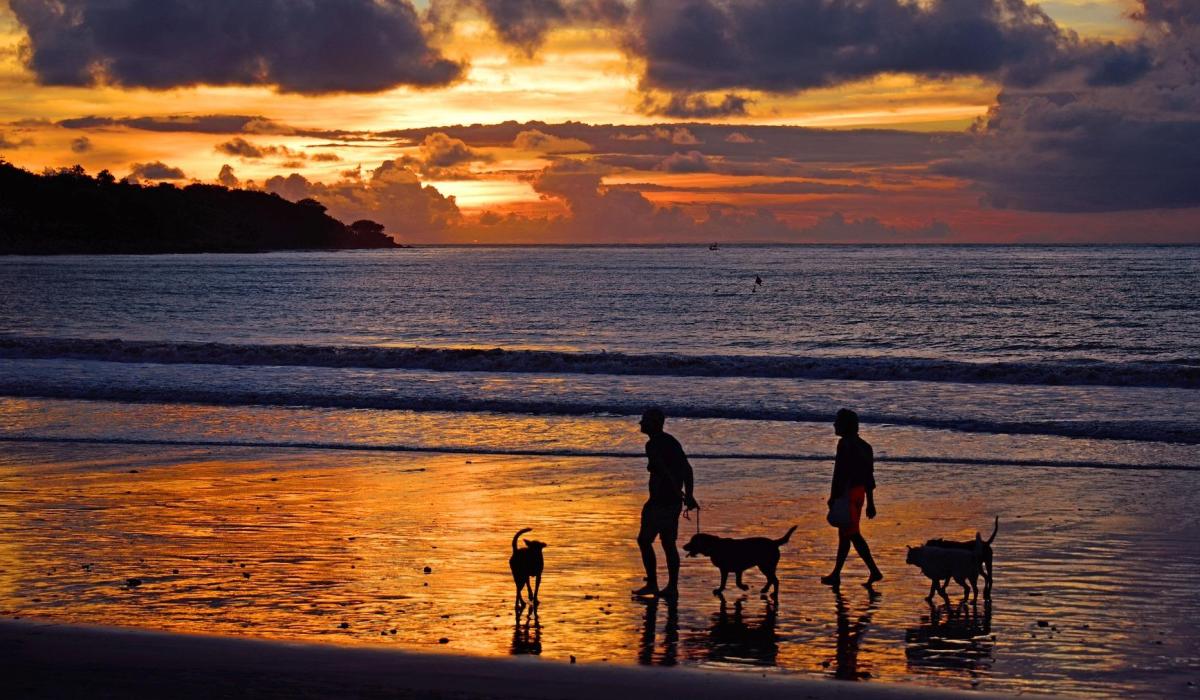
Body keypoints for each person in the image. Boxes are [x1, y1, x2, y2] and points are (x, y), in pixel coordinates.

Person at [632, 408, 699, 599]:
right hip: (672, 502)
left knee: (645, 541)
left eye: (644, 420)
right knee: (668, 543)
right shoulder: (671, 442)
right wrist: (689, 495)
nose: (641, 424)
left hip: (661, 502)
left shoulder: (653, 445)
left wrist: (681, 492)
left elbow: (662, 470)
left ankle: (654, 583)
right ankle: (671, 587)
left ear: (654, 424)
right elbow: (687, 469)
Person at [822, 408, 883, 587]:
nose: (834, 424)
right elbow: (869, 477)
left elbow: (839, 474)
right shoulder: (866, 446)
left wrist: (834, 497)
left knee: (852, 534)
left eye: (837, 421)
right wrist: (871, 503)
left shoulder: (844, 444)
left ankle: (874, 571)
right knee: (846, 534)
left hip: (847, 493)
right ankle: (836, 574)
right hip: (860, 493)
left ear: (845, 425)